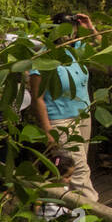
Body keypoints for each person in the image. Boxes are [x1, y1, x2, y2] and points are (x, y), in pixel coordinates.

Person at [28, 12, 100, 205]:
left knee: (72, 170)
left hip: (82, 117)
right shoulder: (44, 57)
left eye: (73, 30)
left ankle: (65, 218)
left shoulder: (76, 48)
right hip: (60, 121)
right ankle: (91, 218)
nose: (69, 34)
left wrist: (90, 27)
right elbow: (37, 98)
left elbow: (100, 44)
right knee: (79, 171)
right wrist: (48, 131)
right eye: (65, 30)